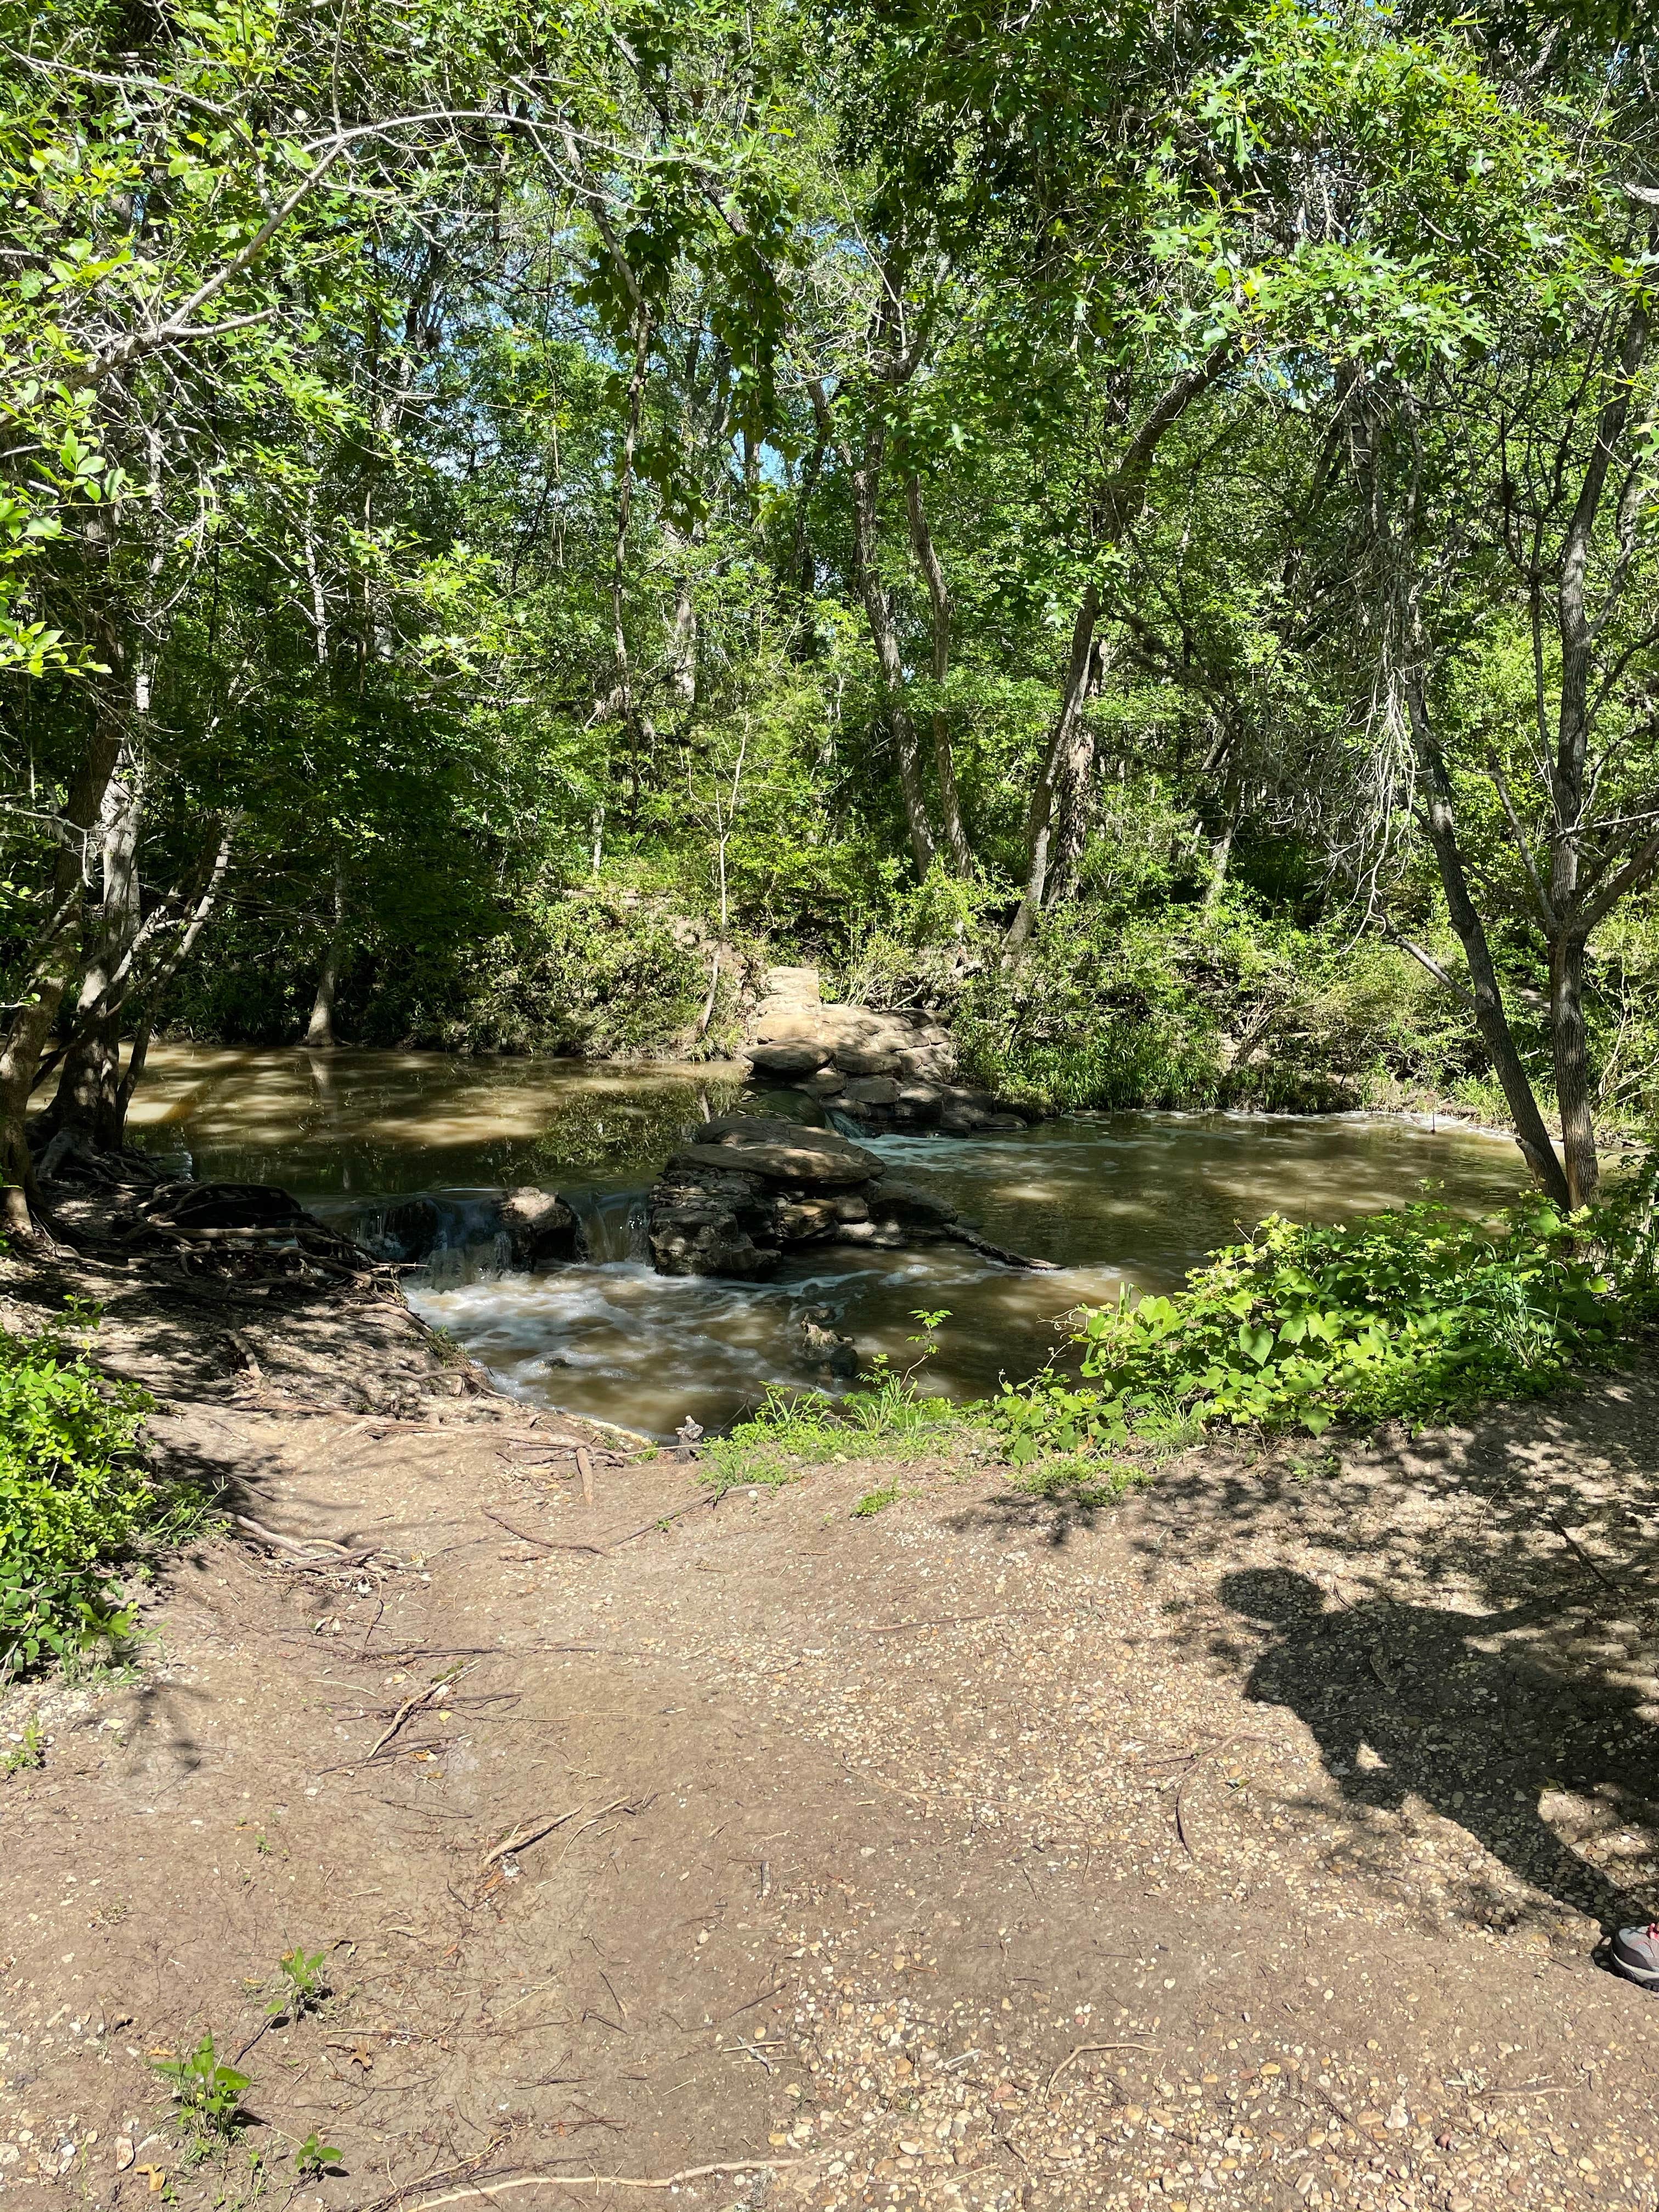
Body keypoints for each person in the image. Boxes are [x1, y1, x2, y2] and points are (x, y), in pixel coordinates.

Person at [1221, 1566, 1659, 1981]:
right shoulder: (1374, 1621)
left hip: (1489, 1742)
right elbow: (1489, 1625)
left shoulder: (1282, 1660)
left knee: (1524, 1830)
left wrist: (1352, 1770)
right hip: (1502, 1738)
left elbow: (1329, 1725)